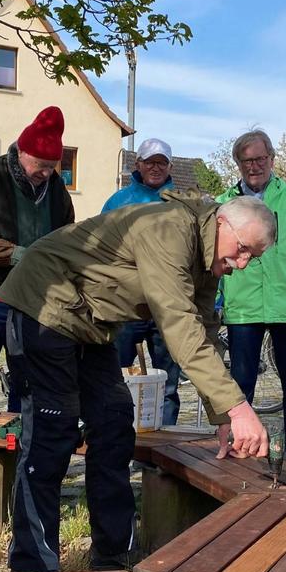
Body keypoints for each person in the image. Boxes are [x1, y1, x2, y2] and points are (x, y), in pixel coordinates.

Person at [0, 191, 274, 572]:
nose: (241, 264)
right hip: (42, 305)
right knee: (52, 435)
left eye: (252, 258)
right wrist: (239, 407)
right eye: (243, 249)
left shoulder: (208, 256)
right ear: (222, 223)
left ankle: (113, 558)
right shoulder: (169, 230)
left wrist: (221, 415)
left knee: (114, 424)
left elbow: (204, 330)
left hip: (90, 322)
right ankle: (32, 571)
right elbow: (178, 325)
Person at [0, 106, 74, 414]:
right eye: (41, 165)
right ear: (22, 152)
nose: (46, 172)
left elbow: (68, 240)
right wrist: (21, 255)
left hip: (28, 301)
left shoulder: (57, 190)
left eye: (52, 166)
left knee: (26, 384)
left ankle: (21, 457)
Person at [217, 130, 286, 458]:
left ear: (272, 159)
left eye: (260, 159)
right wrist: (217, 297)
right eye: (247, 161)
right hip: (242, 308)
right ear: (238, 164)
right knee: (239, 388)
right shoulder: (223, 204)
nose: (254, 166)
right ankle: (238, 449)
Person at [101, 137, 183, 425]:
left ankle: (165, 449)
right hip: (127, 307)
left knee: (168, 385)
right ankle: (114, 438)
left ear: (170, 166)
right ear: (138, 164)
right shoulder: (118, 202)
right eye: (150, 161)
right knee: (115, 377)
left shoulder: (182, 203)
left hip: (166, 308)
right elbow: (101, 249)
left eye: (161, 162)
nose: (155, 167)